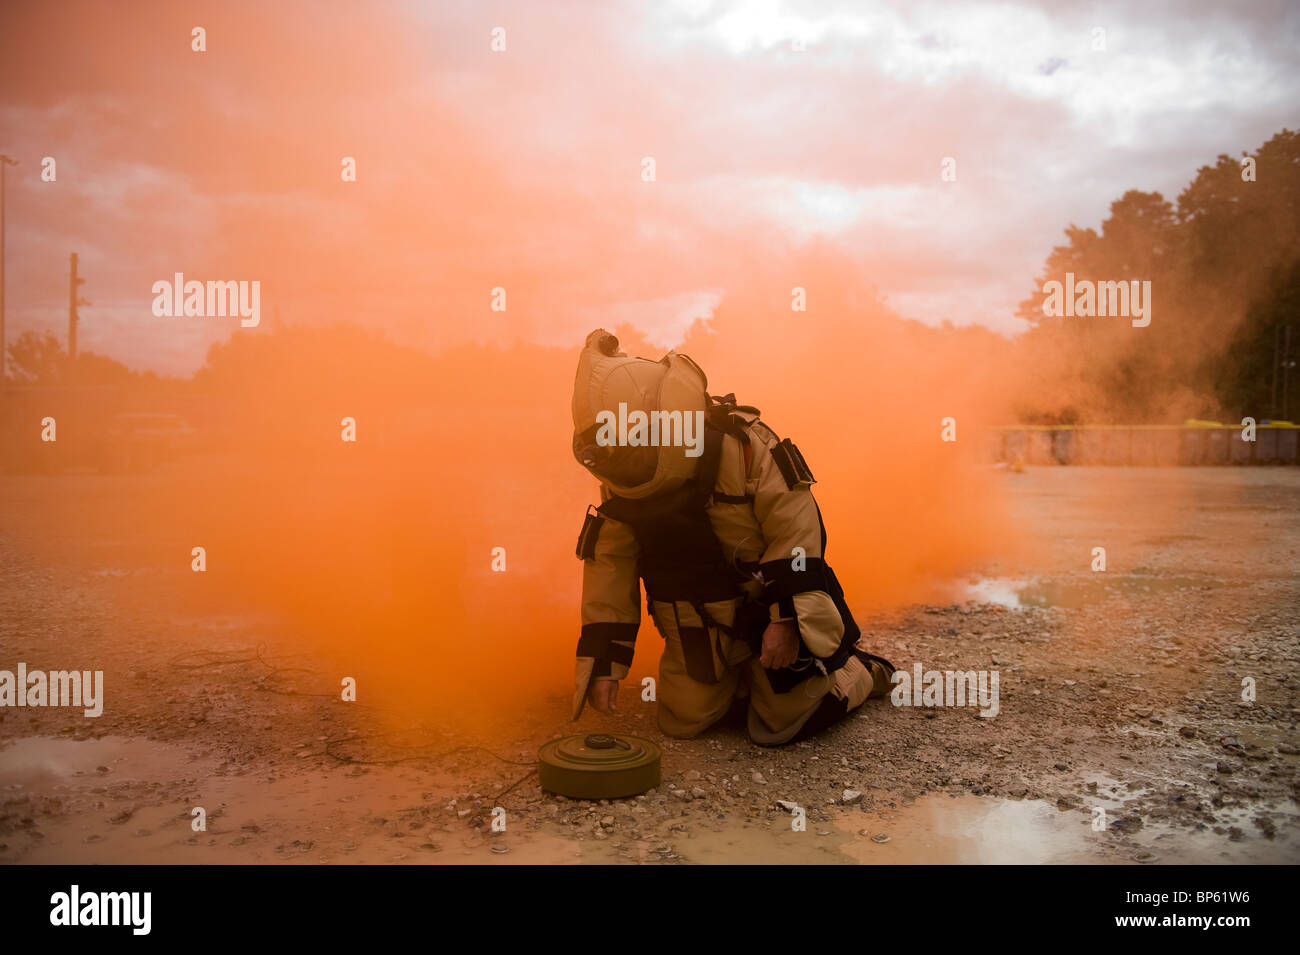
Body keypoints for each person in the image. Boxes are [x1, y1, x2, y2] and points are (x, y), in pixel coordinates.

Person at [570, 328, 894, 745]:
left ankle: (856, 670)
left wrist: (787, 622)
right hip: (694, 623)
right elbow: (609, 571)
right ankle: (743, 682)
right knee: (682, 722)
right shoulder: (623, 471)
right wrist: (604, 667)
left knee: (779, 727)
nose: (626, 459)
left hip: (763, 612)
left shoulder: (746, 445)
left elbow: (795, 532)